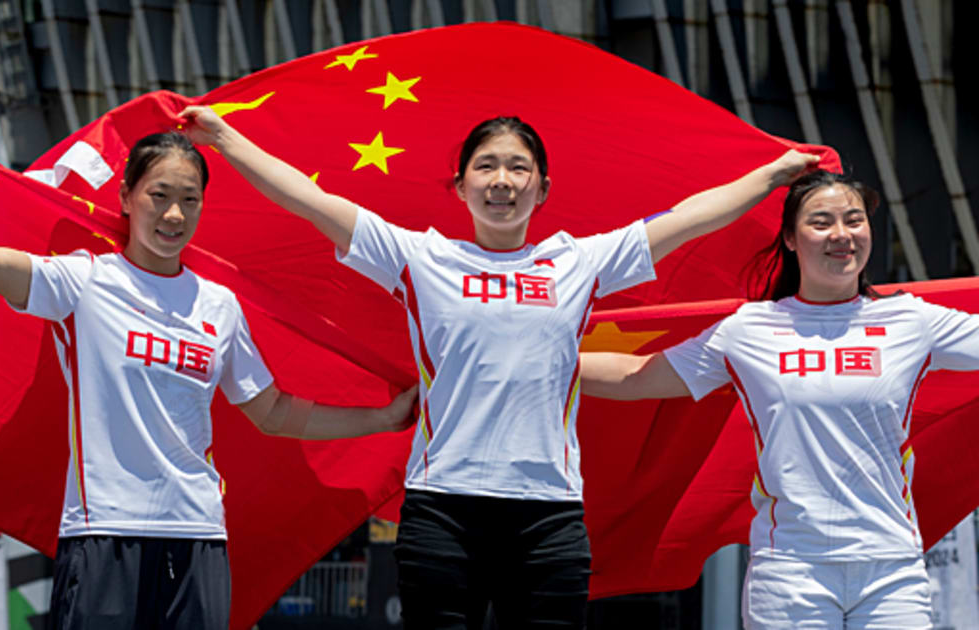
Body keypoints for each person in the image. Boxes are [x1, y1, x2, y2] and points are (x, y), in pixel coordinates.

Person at [179, 106, 819, 628]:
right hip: (441, 513)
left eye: (519, 168)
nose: (502, 181)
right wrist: (228, 140)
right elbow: (312, 203)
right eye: (486, 167)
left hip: (548, 515)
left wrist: (773, 176)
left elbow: (685, 221)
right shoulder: (419, 258)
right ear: (460, 186)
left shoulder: (577, 263)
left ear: (542, 188)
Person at [0, 116, 416, 630]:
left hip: (198, 535)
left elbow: (274, 412)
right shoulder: (86, 282)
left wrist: (384, 418)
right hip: (104, 534)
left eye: (190, 199)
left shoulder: (219, 305)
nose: (175, 215)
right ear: (126, 198)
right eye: (159, 196)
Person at [578, 169, 979, 629]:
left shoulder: (911, 320)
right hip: (789, 571)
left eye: (854, 220)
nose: (841, 235)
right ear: (790, 238)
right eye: (821, 222)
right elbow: (634, 375)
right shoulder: (749, 329)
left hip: (891, 571)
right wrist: (529, 350)